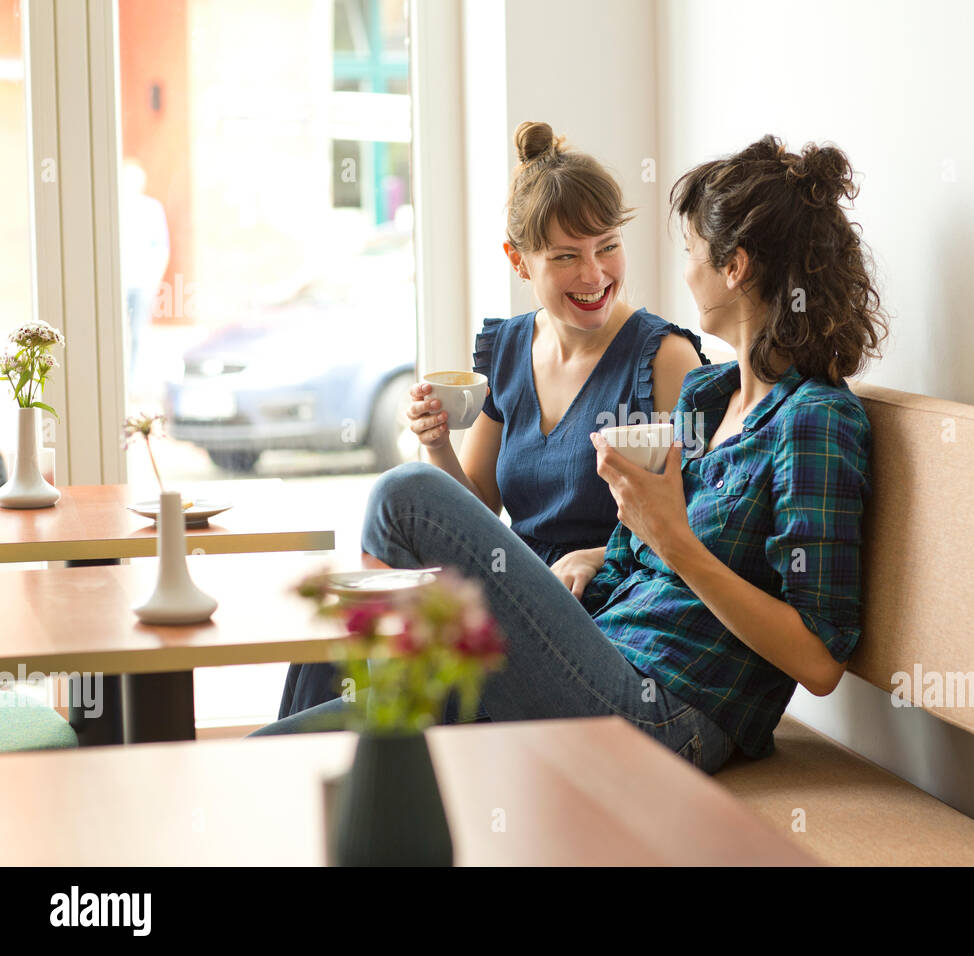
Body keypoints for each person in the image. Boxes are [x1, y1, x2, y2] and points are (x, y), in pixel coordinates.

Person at [256, 135, 888, 774]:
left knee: (404, 496)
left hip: (665, 711)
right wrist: (601, 554)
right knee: (292, 749)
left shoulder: (815, 422)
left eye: (692, 251)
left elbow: (819, 661)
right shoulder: (709, 393)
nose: (685, 270)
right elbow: (636, 553)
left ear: (736, 267)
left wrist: (673, 541)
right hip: (596, 651)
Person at [276, 122, 706, 717]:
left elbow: (699, 522)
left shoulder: (663, 358)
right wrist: (436, 446)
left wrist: (601, 555)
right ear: (518, 261)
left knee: (396, 506)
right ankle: (335, 749)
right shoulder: (508, 350)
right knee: (351, 594)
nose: (594, 274)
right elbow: (478, 506)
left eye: (607, 245)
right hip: (509, 597)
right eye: (565, 257)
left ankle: (351, 734)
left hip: (598, 621)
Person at [119, 160, 170, 387]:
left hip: (142, 282)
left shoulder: (151, 208)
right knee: (117, 331)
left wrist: (153, 278)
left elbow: (161, 247)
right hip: (119, 282)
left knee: (138, 332)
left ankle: (132, 381)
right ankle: (118, 377)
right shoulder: (114, 208)